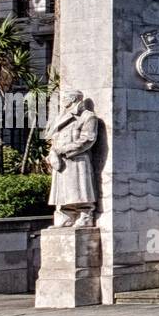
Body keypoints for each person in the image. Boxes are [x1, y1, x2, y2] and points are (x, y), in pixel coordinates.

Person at [45, 91, 100, 226]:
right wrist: (52, 153)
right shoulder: (60, 117)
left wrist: (64, 149)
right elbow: (54, 137)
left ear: (73, 99)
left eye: (65, 98)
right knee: (63, 192)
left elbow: (88, 139)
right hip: (61, 161)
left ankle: (85, 215)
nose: (62, 100)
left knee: (80, 190)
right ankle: (66, 214)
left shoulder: (87, 116)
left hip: (77, 159)